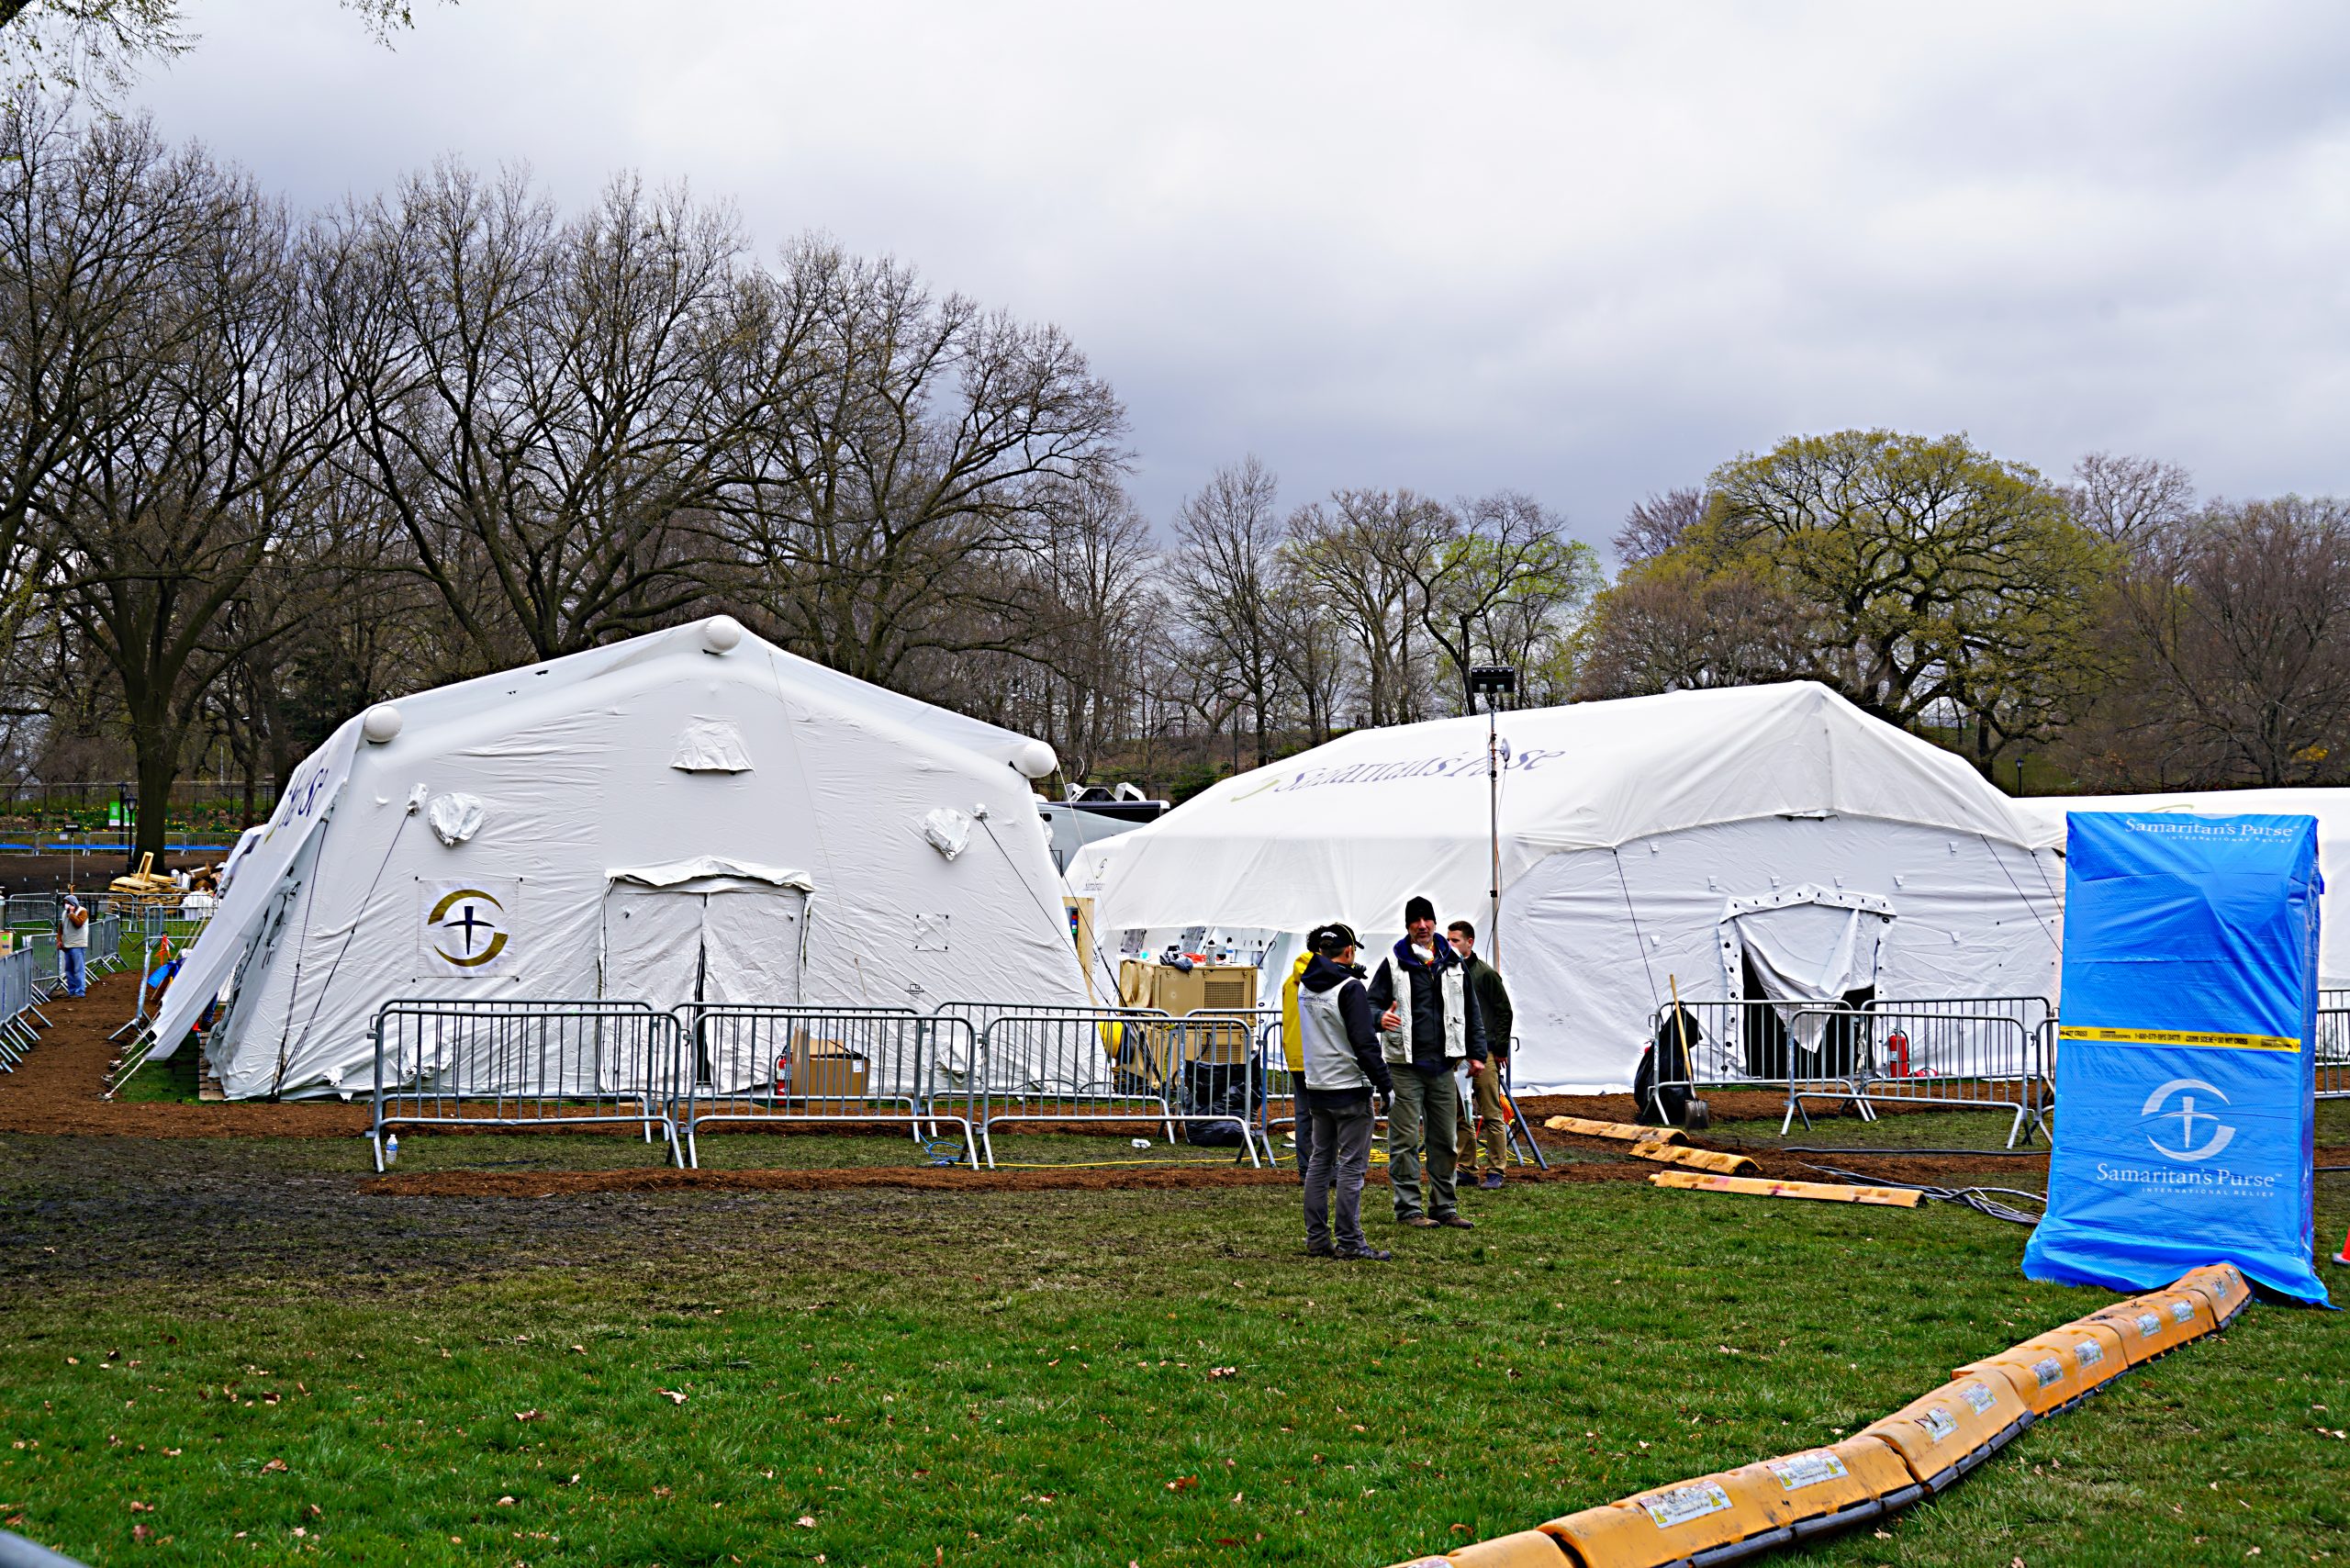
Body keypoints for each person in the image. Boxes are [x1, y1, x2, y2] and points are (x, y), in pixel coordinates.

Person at [1368, 894, 1486, 1229]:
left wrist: (1477, 1053)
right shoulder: (1393, 963)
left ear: (1435, 922)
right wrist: (1379, 1018)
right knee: (1404, 1141)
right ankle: (1408, 1209)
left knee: (1445, 1141)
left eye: (1427, 920)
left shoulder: (1453, 962)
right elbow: (1370, 1004)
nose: (1422, 926)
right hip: (1404, 1066)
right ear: (1407, 926)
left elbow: (1471, 1011)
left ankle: (1444, 1207)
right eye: (1415, 921)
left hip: (1442, 1066)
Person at [1297, 922, 1394, 1261]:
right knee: (1352, 1167)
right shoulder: (1350, 988)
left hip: (1318, 1085)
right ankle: (1351, 1241)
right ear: (1349, 951)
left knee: (1320, 1162)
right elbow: (1365, 1043)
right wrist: (1385, 1084)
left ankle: (1318, 1239)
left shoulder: (1305, 984)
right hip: (1350, 1087)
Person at [1448, 920, 1516, 1189]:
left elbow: (1504, 1011)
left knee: (1491, 1112)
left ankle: (1496, 1169)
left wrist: (1499, 1048)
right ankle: (1466, 1167)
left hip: (1484, 1052)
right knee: (1460, 1113)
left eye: (1455, 940)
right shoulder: (1447, 971)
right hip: (1456, 1053)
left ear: (1470, 942)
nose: (1451, 944)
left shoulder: (1485, 974)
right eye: (1449, 940)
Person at [55, 890, 90, 998]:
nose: (66, 905)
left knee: (78, 969)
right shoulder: (64, 914)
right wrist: (59, 940)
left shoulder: (82, 911)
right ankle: (72, 991)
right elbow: (61, 928)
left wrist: (71, 913)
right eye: (65, 903)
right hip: (67, 945)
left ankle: (80, 992)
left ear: (73, 903)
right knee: (69, 970)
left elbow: (78, 923)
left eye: (68, 902)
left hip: (78, 945)